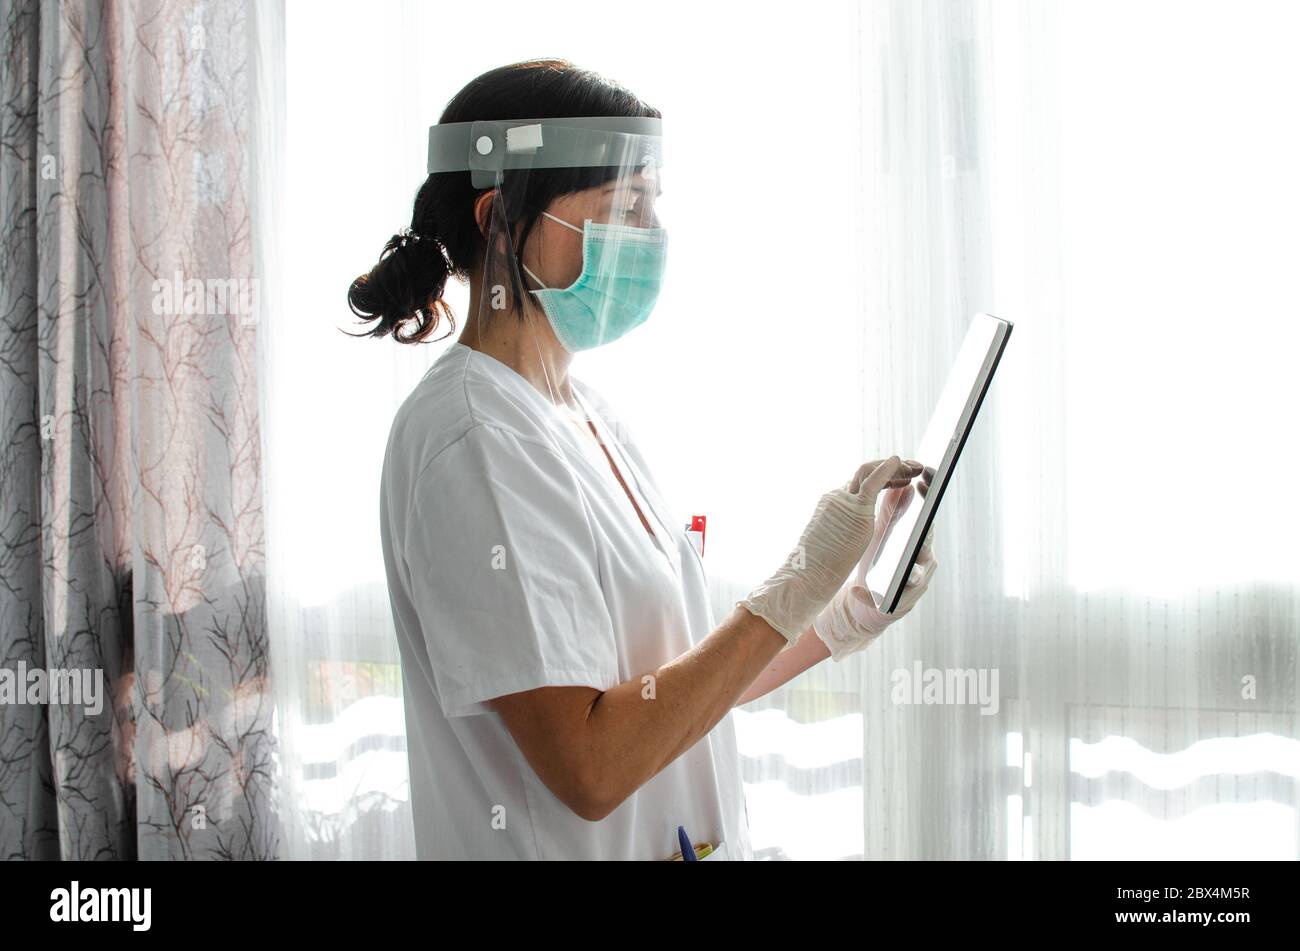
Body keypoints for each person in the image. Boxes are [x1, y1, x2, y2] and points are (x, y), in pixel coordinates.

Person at [347, 59, 938, 860]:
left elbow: (662, 690)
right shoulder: (473, 443)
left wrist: (840, 611)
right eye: (624, 208)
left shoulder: (582, 415)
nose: (650, 237)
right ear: (499, 218)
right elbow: (591, 764)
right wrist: (789, 591)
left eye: (655, 208)